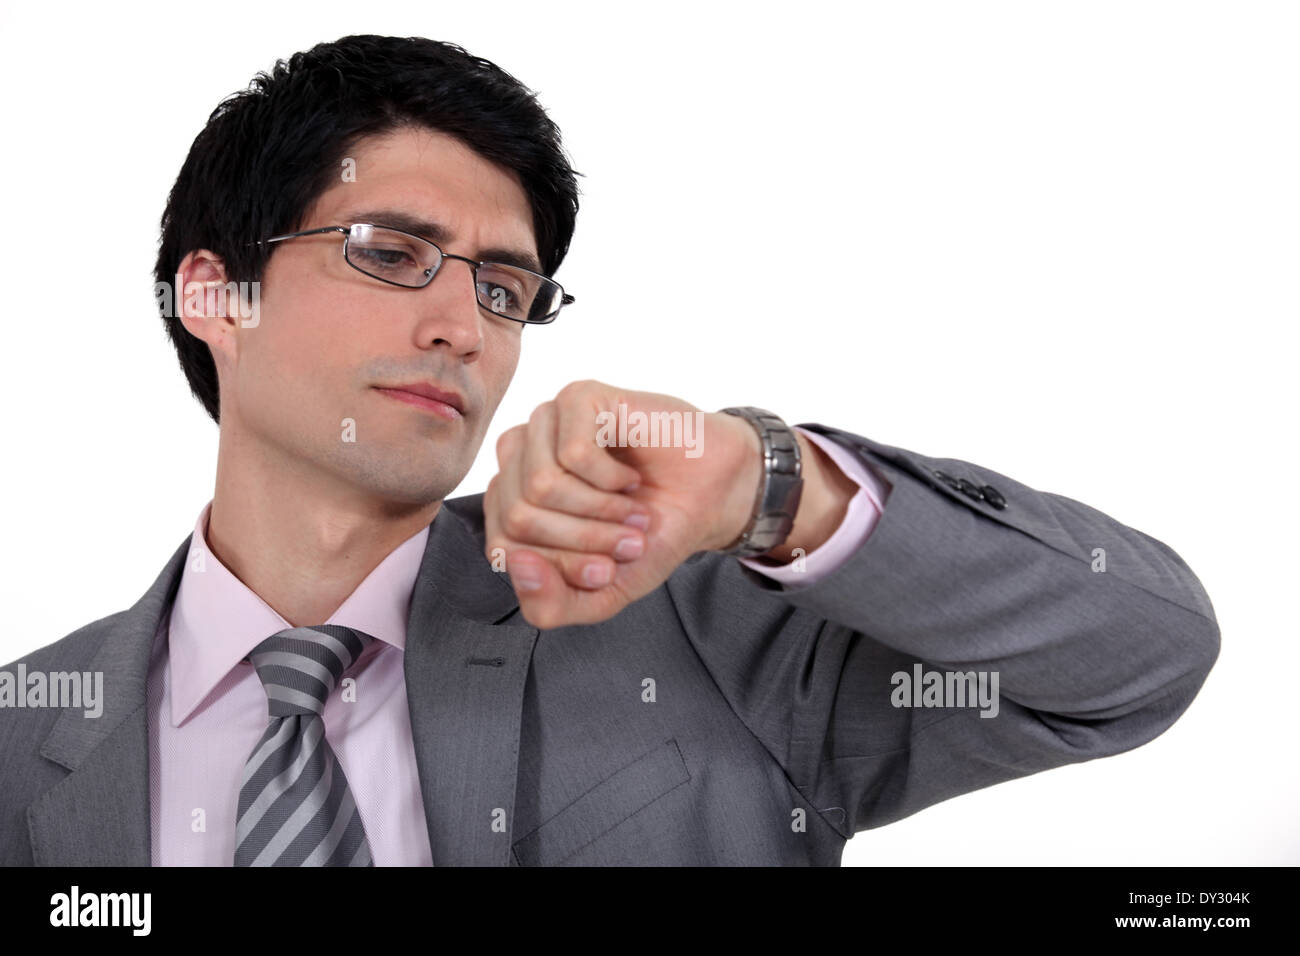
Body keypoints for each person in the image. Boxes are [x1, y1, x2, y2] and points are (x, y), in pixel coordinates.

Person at [0, 34, 1220, 866]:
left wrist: (765, 481)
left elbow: (1135, 658)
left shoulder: (700, 627)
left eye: (505, 285)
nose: (460, 323)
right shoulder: (23, 737)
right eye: (388, 250)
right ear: (215, 297)